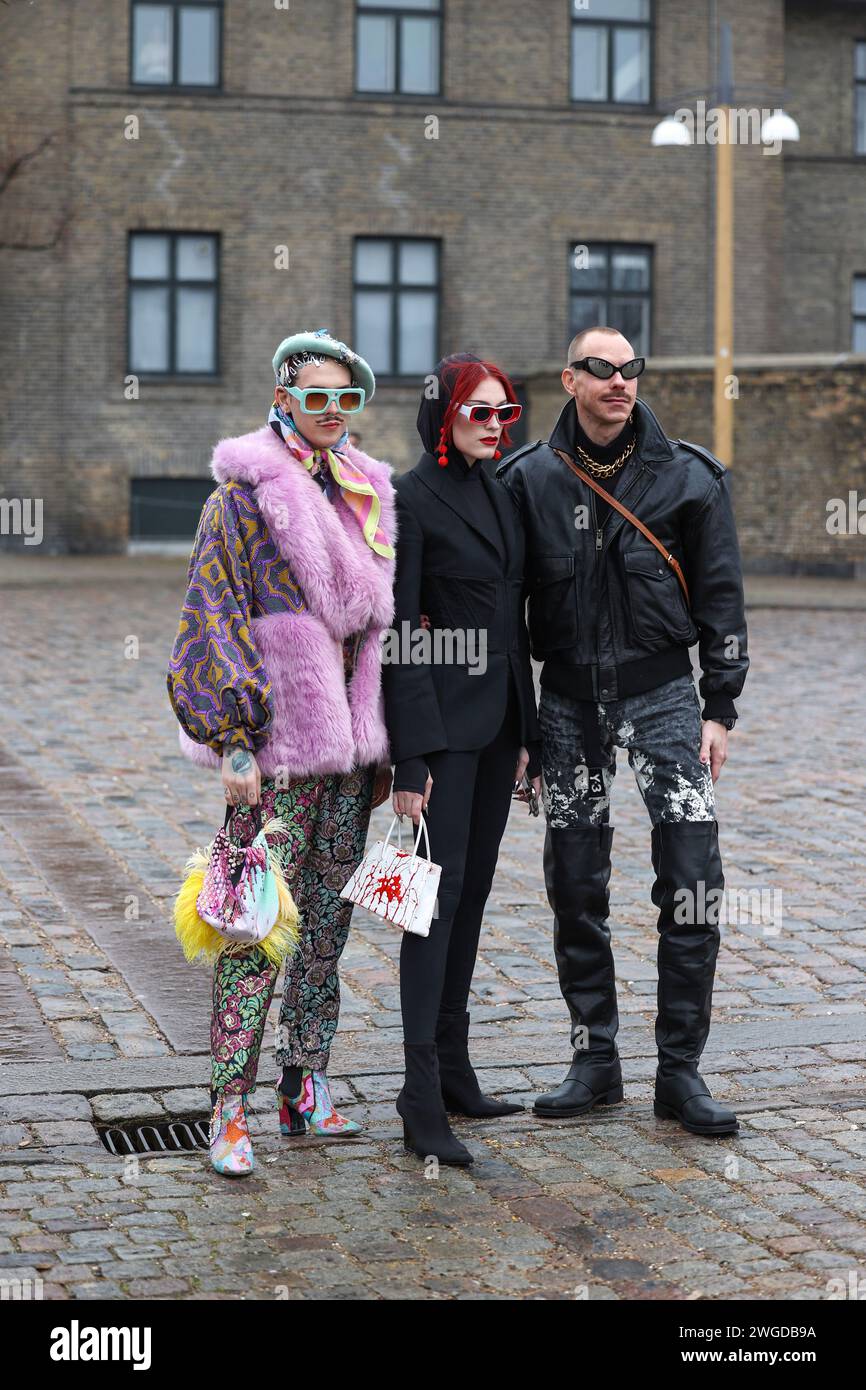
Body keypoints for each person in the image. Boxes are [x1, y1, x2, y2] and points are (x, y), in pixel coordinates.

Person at [497, 326, 749, 1137]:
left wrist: (721, 707)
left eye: (630, 368)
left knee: (692, 883)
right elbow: (505, 616)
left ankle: (680, 1073)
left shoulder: (688, 477)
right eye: (601, 369)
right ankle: (594, 1061)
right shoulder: (528, 480)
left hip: (665, 700)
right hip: (567, 705)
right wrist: (522, 728)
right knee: (576, 887)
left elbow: (721, 601)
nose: (619, 381)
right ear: (570, 379)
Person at [167, 329, 395, 1176]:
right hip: (276, 748)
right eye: (317, 397)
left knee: (329, 925)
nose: (333, 411)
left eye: (348, 398)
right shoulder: (241, 497)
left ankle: (307, 1082)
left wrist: (384, 743)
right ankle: (227, 1108)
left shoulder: (364, 493)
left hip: (350, 756)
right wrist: (231, 739)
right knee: (255, 924)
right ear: (284, 397)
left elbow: (378, 630)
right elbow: (210, 616)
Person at [382, 353, 542, 1167]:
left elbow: (513, 625)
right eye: (479, 412)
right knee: (430, 909)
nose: (493, 425)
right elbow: (400, 632)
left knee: (471, 898)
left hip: (500, 726)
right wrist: (409, 759)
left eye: (503, 413)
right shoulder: (409, 501)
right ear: (442, 415)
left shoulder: (504, 491)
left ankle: (453, 1071)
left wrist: (532, 735)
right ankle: (416, 1096)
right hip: (442, 733)